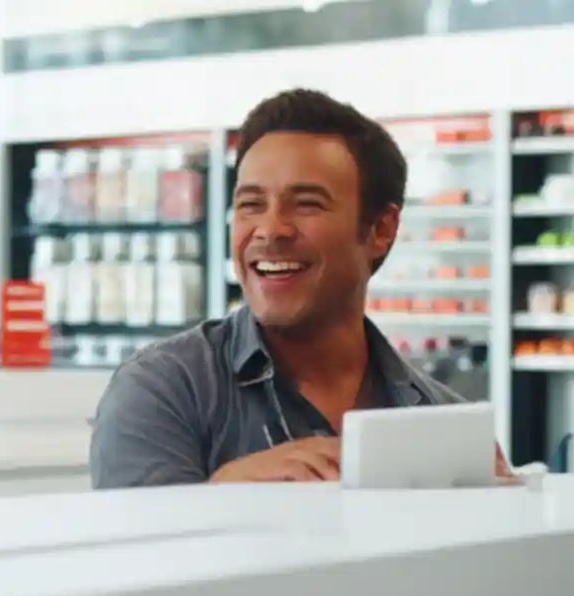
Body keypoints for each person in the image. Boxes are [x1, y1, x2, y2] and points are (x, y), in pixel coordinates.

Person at [91, 88, 507, 487]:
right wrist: (220, 494)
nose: (270, 230)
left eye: (307, 204)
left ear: (381, 230)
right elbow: (139, 555)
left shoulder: (442, 419)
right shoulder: (164, 392)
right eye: (251, 204)